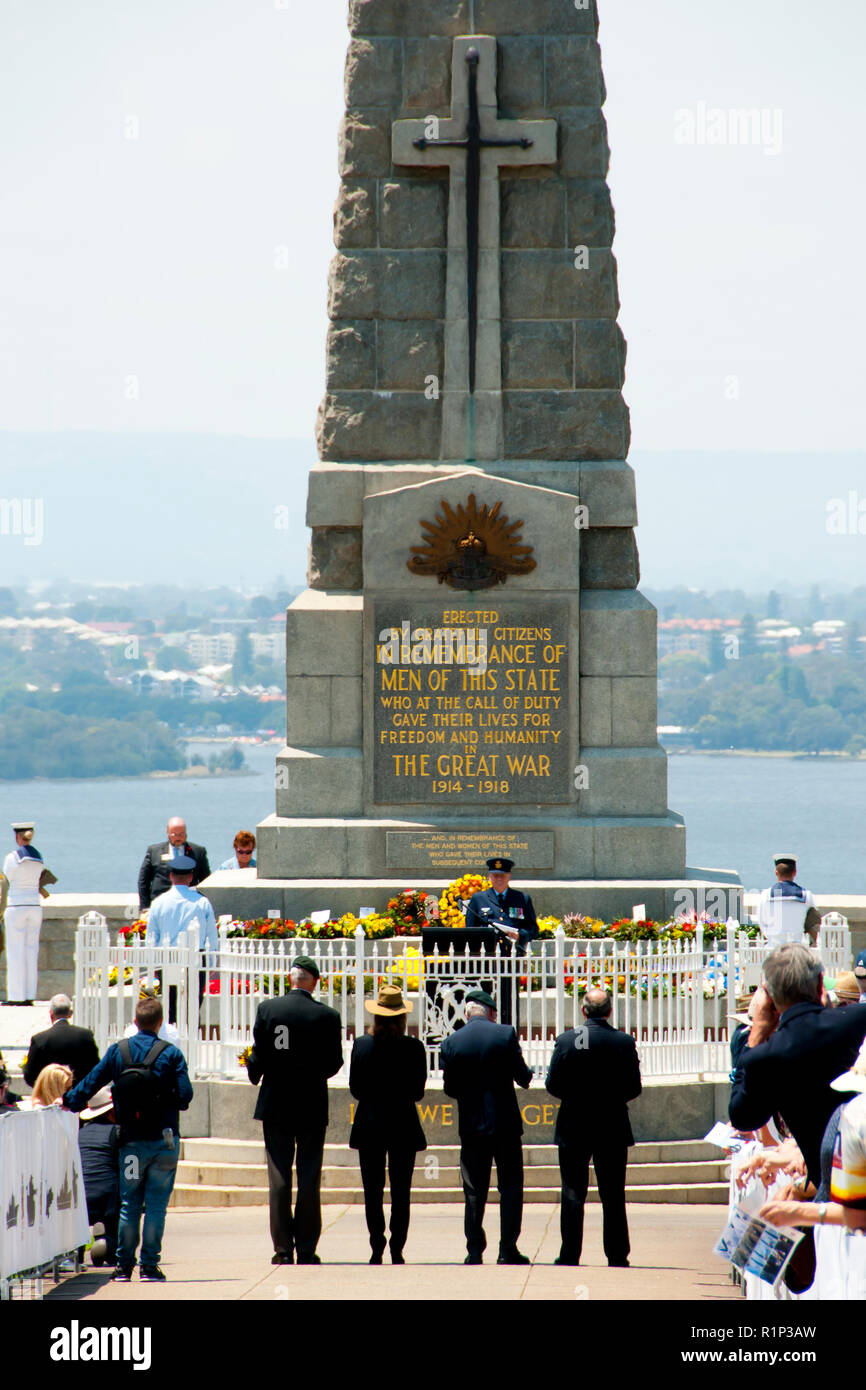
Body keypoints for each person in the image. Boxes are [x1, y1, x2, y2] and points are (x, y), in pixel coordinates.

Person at [63, 995, 193, 1281]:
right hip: (164, 1142)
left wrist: (70, 1102)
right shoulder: (171, 1054)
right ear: (160, 1024)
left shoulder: (117, 1052)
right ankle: (149, 1266)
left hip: (130, 1142)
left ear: (135, 1023)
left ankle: (123, 1266)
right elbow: (185, 1097)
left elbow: (90, 1083)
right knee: (157, 1206)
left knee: (129, 1204)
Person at [729, 944, 866, 1186]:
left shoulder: (764, 1057)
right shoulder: (856, 1021)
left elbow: (742, 1116)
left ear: (769, 997)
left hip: (829, 1188)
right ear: (820, 982)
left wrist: (757, 1035)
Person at [246, 955, 343, 1265]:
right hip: (311, 1102)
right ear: (313, 981)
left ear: (291, 979)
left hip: (276, 1102)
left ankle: (282, 1249)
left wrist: (256, 1072)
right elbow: (334, 1063)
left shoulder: (268, 1009)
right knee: (309, 1176)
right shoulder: (327, 1015)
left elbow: (259, 1054)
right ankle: (306, 1247)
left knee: (278, 1177)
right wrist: (310, 1073)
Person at [545, 987, 642, 1267]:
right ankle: (617, 1253)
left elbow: (553, 1084)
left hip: (574, 1124)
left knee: (573, 1191)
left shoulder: (567, 1040)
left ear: (583, 1010)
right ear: (610, 1011)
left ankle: (569, 1253)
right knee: (613, 1193)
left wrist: (576, 1098)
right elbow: (633, 1087)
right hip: (611, 1125)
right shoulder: (623, 1042)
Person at [440, 987, 533, 1265]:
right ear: (491, 1013)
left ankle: (474, 1249)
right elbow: (523, 1077)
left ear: (466, 1013)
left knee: (473, 1189)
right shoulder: (504, 1034)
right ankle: (508, 1248)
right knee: (511, 1187)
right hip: (504, 1124)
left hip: (472, 1126)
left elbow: (450, 1088)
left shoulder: (452, 1041)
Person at [349, 982, 427, 1264]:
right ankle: (397, 1246)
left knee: (373, 1190)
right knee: (401, 1191)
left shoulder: (362, 1045)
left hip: (370, 1124)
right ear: (403, 1018)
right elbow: (418, 1092)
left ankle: (376, 1245)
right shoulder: (414, 1048)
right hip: (403, 1124)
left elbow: (355, 1089)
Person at [464, 857, 539, 1026]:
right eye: (495, 875)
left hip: (511, 957)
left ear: (509, 876)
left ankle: (510, 1036)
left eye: (503, 875)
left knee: (509, 1002)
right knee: (484, 1002)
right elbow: (471, 930)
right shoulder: (478, 899)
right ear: (489, 876)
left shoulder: (522, 899)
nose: (499, 879)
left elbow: (533, 929)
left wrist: (520, 935)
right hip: (487, 958)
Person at [145, 854, 218, 1024]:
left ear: (171, 876)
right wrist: (212, 962)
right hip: (195, 958)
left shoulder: (158, 903)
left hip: (167, 957)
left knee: (170, 1006)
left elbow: (151, 936)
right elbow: (211, 935)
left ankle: (172, 1034)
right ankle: (191, 1037)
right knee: (193, 1005)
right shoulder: (202, 902)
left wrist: (153, 964)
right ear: (191, 877)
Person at [2, 821, 56, 1005]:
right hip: (34, 905)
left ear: (18, 836)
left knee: (15, 952)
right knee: (31, 952)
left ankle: (16, 996)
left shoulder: (12, 857)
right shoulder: (38, 857)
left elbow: (6, 881)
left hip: (16, 906)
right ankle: (29, 995)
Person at [77, 1086, 121, 1267]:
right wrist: (135, 1184)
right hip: (108, 1197)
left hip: (80, 1196)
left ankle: (77, 1255)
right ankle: (111, 1248)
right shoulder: (118, 1132)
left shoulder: (79, 1134)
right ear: (111, 1111)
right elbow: (131, 1162)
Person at [23, 993, 99, 1087]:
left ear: (51, 1013)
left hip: (50, 1095)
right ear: (70, 1013)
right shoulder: (86, 1036)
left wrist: (46, 1091)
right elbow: (95, 1069)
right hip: (79, 1095)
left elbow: (30, 1075)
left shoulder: (40, 1039)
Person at [137, 817, 210, 911]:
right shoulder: (154, 851)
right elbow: (143, 881)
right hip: (160, 905)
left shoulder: (198, 852)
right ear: (167, 832)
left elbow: (205, 881)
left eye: (181, 834)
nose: (178, 838)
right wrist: (145, 908)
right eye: (174, 834)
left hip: (189, 905)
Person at [757, 853, 821, 947]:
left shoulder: (765, 895)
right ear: (795, 872)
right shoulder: (806, 895)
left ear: (776, 873)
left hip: (773, 949)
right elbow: (814, 922)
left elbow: (762, 923)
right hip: (798, 950)